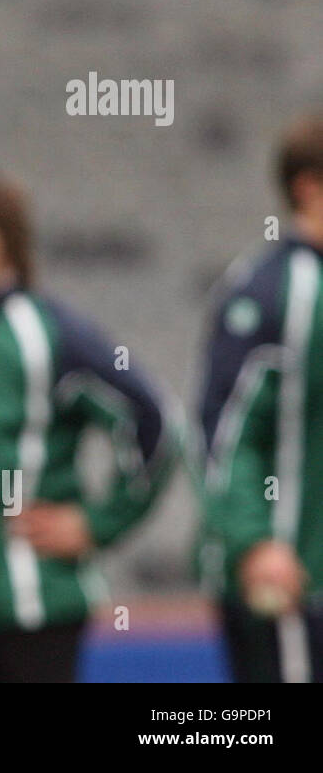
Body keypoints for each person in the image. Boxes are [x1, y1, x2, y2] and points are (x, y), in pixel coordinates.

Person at [0, 168, 180, 681]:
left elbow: (153, 421)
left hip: (32, 601)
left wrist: (98, 522)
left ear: (7, 239)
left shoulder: (48, 331)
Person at [199, 115, 323, 682]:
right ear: (308, 186)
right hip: (287, 575)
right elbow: (222, 429)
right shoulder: (271, 289)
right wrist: (255, 544)